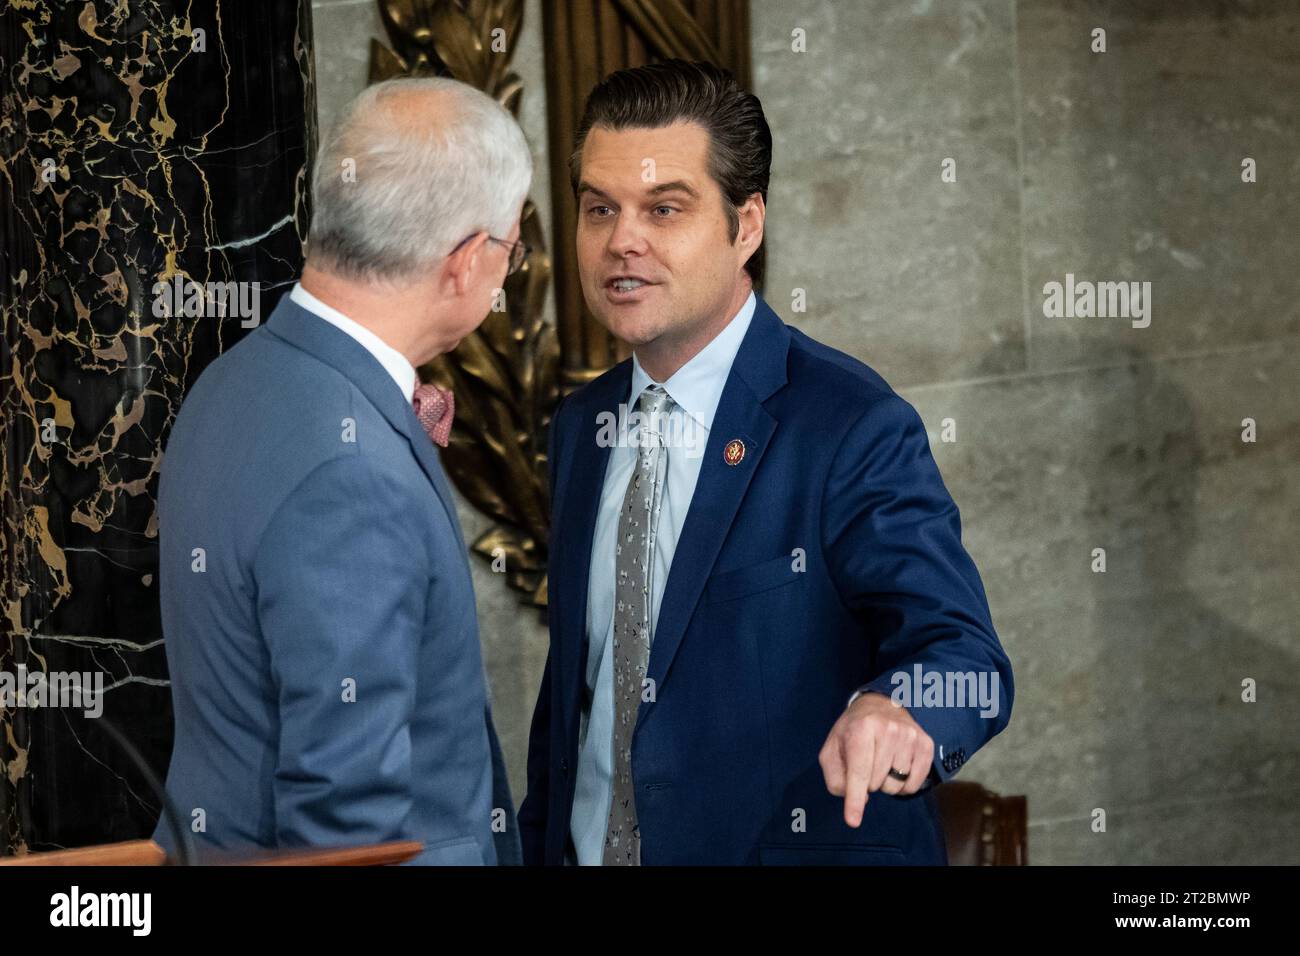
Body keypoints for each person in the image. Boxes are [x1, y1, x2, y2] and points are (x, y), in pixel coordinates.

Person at [519, 60, 1013, 865]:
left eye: (664, 208)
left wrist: (898, 707)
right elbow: (578, 702)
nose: (622, 241)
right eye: (598, 207)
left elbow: (965, 656)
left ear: (746, 226)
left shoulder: (851, 424)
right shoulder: (581, 426)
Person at [153, 77, 532, 865]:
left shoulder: (229, 380)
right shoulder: (351, 475)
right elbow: (345, 818)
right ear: (464, 262)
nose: (506, 269)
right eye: (511, 248)